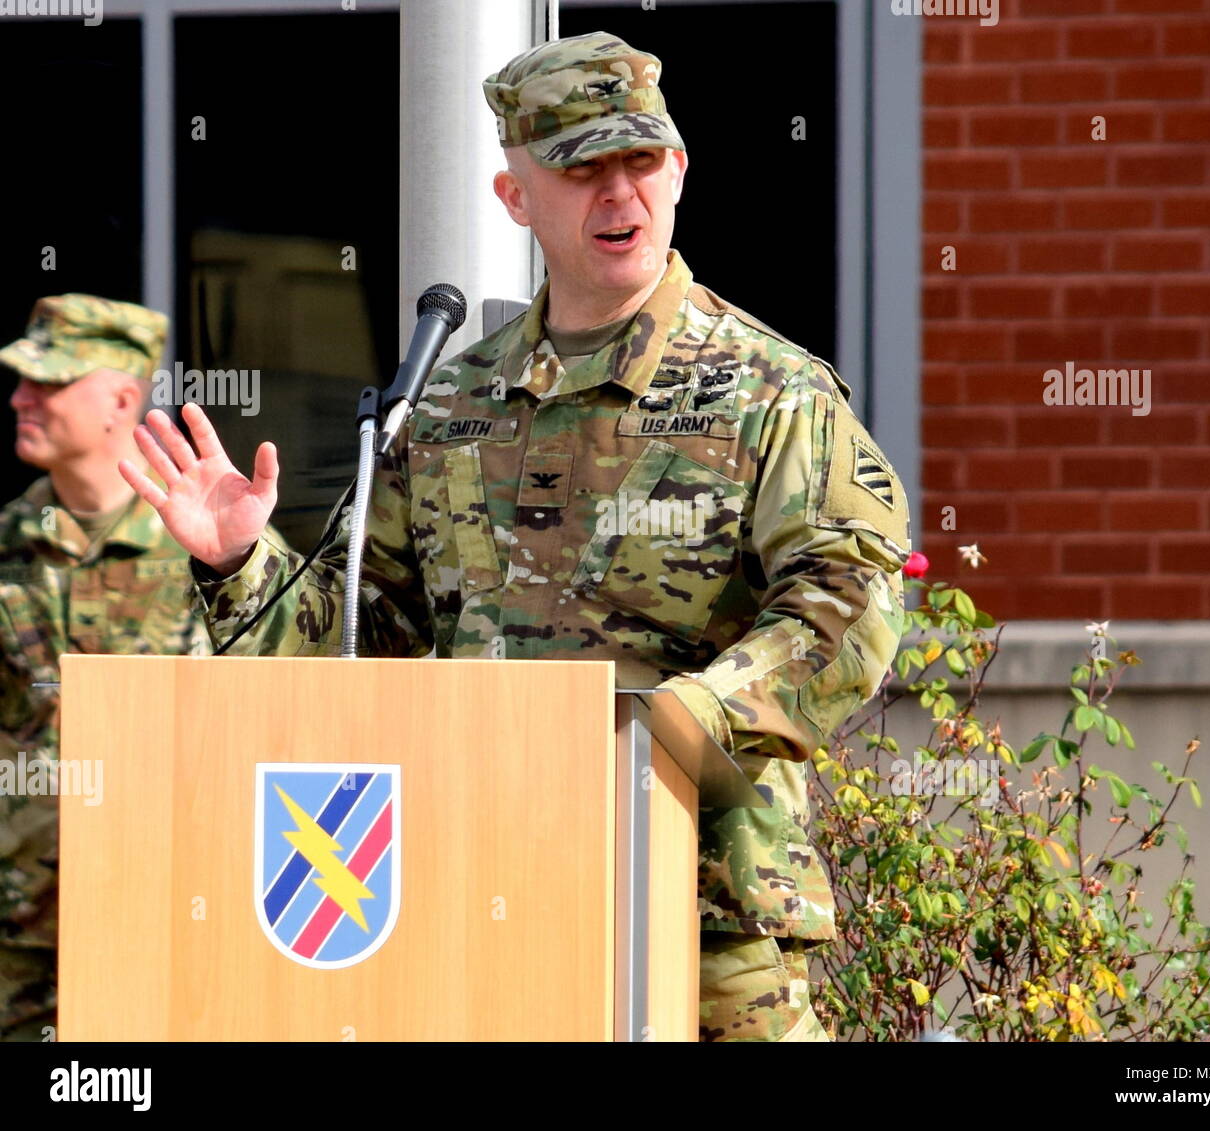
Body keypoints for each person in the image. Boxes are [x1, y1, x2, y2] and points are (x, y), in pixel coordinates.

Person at [122, 31, 911, 1042]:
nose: (618, 195)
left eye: (639, 161)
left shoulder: (770, 390)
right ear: (516, 198)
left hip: (701, 919)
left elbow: (848, 610)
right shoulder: (454, 400)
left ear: (677, 169)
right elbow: (373, 640)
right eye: (582, 169)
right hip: (484, 898)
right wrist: (240, 559)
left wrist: (682, 723)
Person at [0, 295, 206, 1040]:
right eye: (22, 380)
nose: (22, 397)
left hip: (167, 914)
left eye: (49, 381)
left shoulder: (210, 553)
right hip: (21, 930)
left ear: (123, 397)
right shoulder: (7, 547)